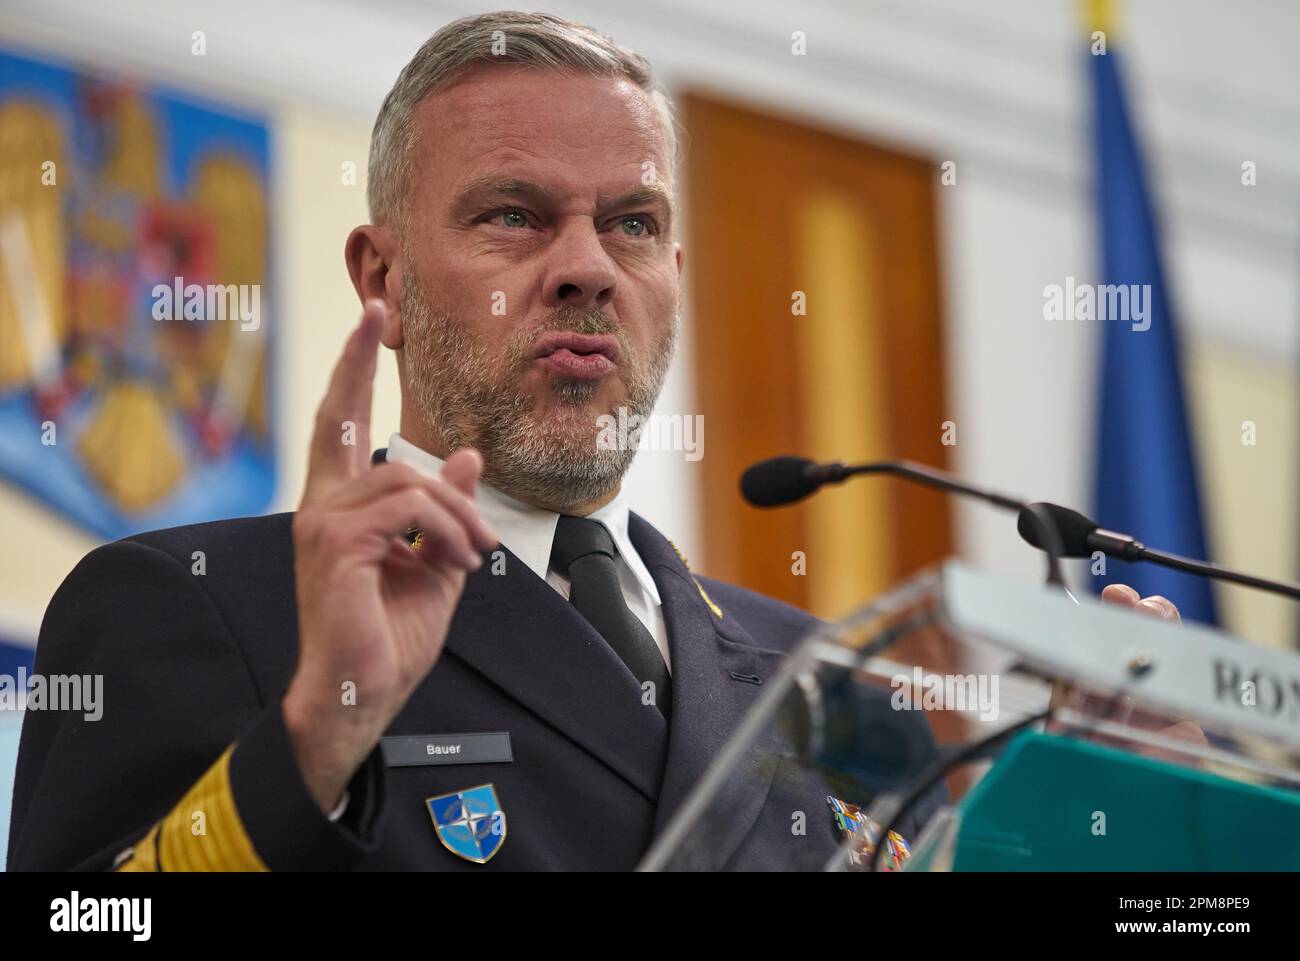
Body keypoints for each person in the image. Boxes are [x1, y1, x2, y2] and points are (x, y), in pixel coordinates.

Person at [6, 12, 1181, 872]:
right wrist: (313, 741)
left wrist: (1109, 814)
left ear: (673, 274)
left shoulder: (823, 684)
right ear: (386, 279)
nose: (584, 267)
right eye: (512, 215)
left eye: (632, 224)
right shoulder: (200, 604)